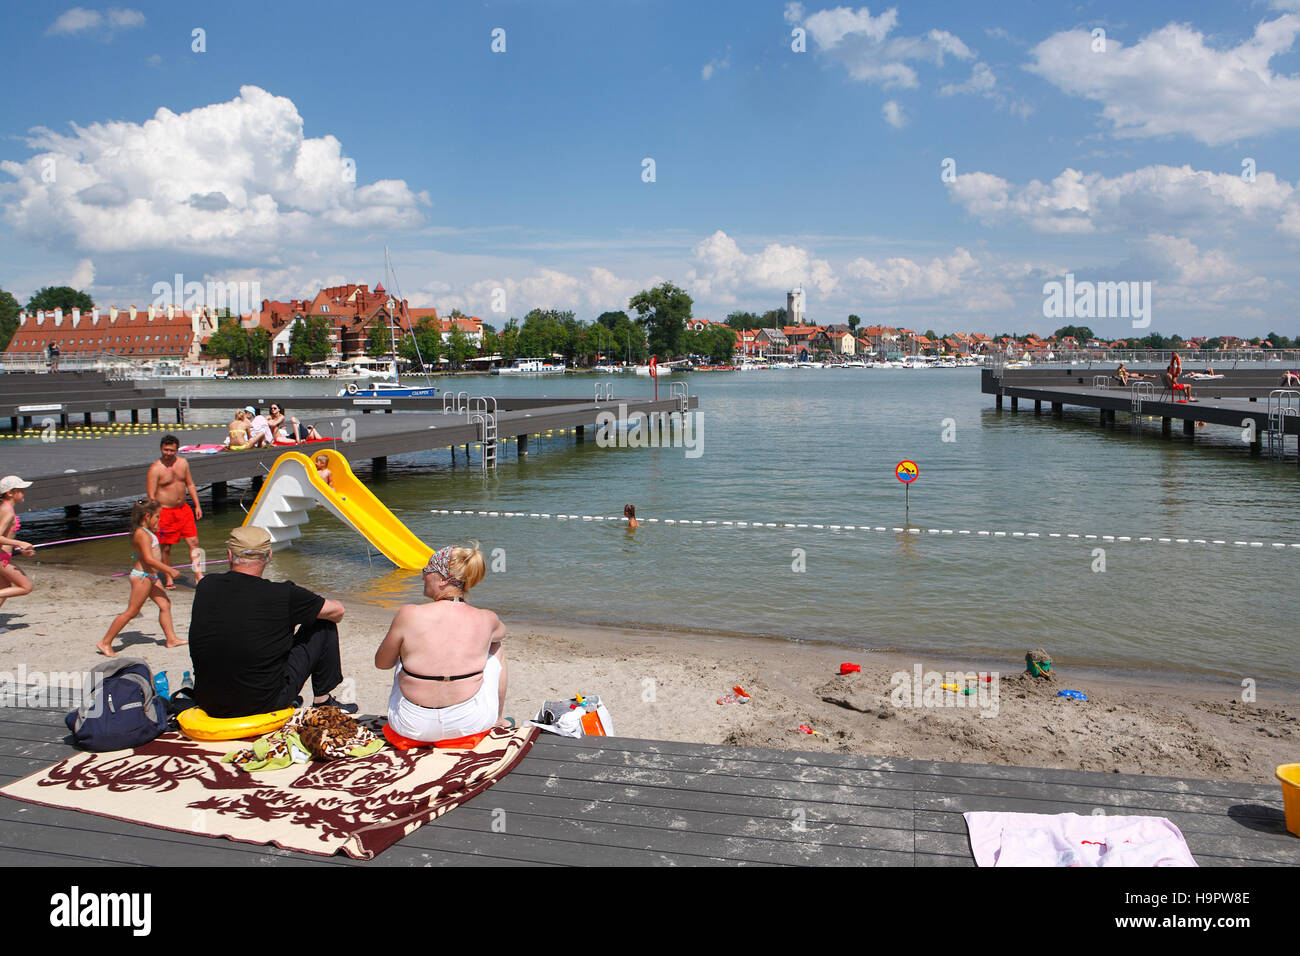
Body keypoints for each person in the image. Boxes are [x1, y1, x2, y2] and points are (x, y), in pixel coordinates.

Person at [188, 526, 355, 717]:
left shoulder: (206, 585)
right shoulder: (284, 594)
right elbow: (338, 611)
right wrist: (299, 610)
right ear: (269, 556)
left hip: (208, 701)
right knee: (323, 623)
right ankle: (323, 701)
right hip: (265, 703)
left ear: (229, 555)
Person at [375, 543, 508, 741]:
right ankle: (498, 718)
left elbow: (382, 663)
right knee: (495, 646)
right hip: (469, 723)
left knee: (406, 648)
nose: (422, 576)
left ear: (444, 579)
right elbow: (501, 633)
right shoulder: (487, 618)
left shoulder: (408, 614)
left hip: (411, 725)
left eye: (427, 570)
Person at [97, 499, 184, 657]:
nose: (159, 519)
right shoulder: (141, 534)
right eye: (157, 516)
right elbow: (149, 559)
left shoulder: (146, 531)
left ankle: (171, 639)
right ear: (147, 516)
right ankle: (105, 642)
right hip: (142, 577)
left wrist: (155, 529)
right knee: (132, 611)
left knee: (165, 604)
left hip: (151, 576)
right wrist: (169, 570)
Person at [146, 435, 203, 587]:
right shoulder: (155, 468)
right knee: (166, 547)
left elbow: (190, 484)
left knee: (194, 542)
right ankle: (168, 575)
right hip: (165, 511)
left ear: (177, 450)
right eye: (166, 450)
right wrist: (153, 518)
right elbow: (151, 496)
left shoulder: (183, 463)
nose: (168, 453)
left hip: (183, 509)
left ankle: (199, 575)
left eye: (172, 450)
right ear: (161, 448)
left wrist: (197, 505)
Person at [0, 476, 36, 626]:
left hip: (4, 555)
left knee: (5, 588)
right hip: (1, 558)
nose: (23, 493)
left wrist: (19, 548)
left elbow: (7, 535)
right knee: (26, 587)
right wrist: (20, 542)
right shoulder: (7, 511)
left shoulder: (6, 508)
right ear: (10, 493)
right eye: (20, 490)